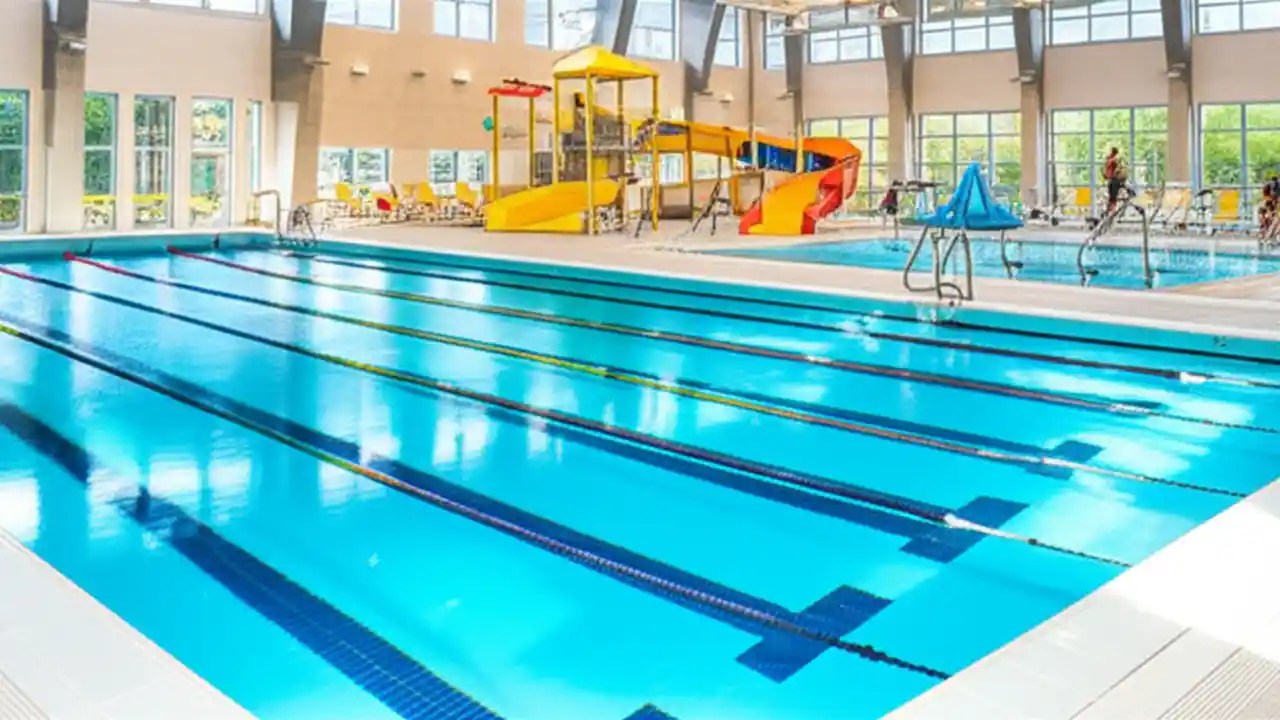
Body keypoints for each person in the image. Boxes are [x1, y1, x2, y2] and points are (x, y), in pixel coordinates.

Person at [1103, 147, 1127, 216]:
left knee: (1113, 195)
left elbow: (1119, 166)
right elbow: (1106, 169)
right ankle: (1111, 207)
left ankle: (1112, 207)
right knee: (1111, 194)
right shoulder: (1110, 159)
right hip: (1112, 179)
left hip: (1115, 179)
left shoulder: (1114, 159)